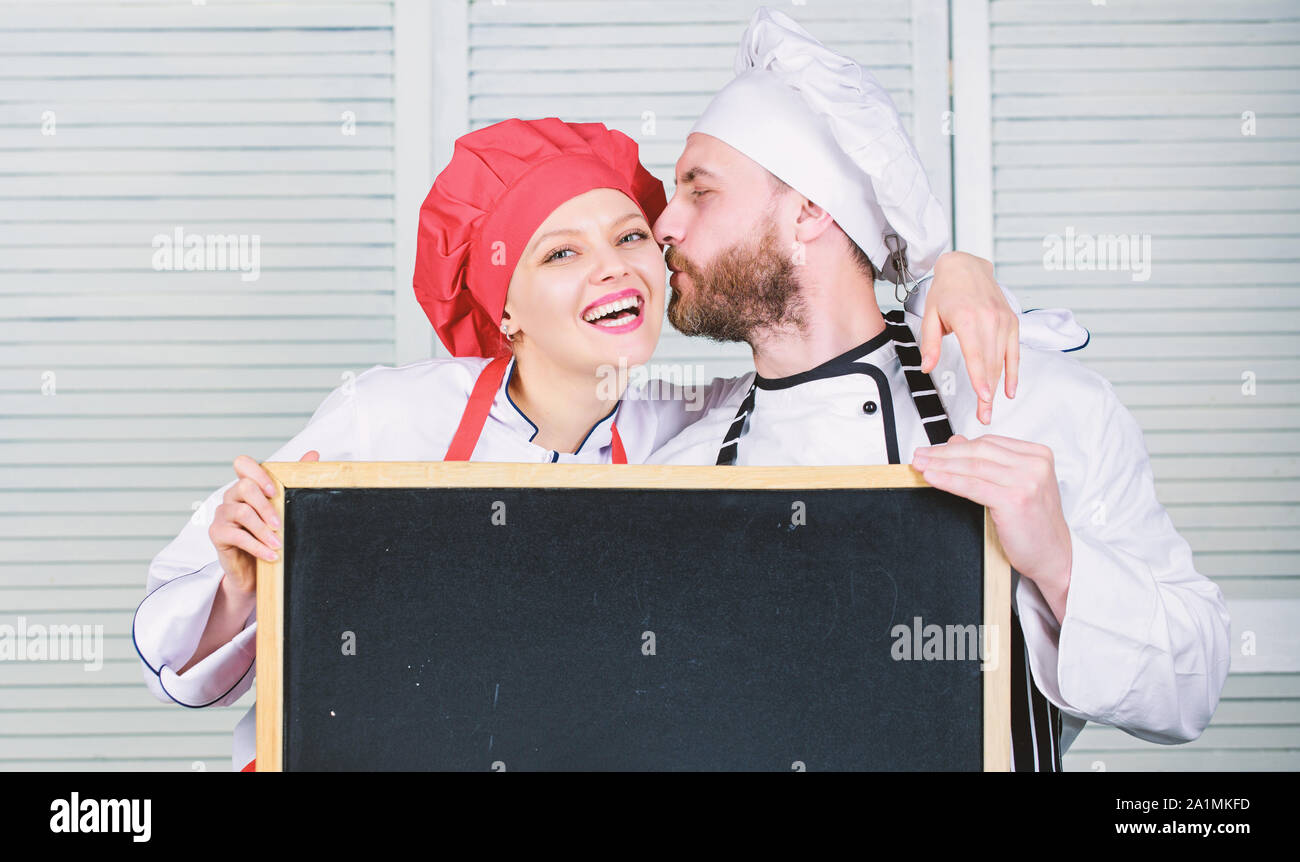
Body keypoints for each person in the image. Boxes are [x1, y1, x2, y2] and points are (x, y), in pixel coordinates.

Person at [132, 117, 1079, 771]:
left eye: (630, 236)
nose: (614, 266)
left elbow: (831, 345)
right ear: (502, 310)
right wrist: (239, 580)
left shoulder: (694, 423)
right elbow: (178, 662)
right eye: (561, 252)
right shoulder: (385, 419)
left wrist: (943, 271)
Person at [642, 7, 1231, 770]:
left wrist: (1058, 560)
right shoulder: (680, 465)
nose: (664, 223)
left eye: (699, 191)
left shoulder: (1025, 403)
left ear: (811, 210)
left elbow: (1194, 687)